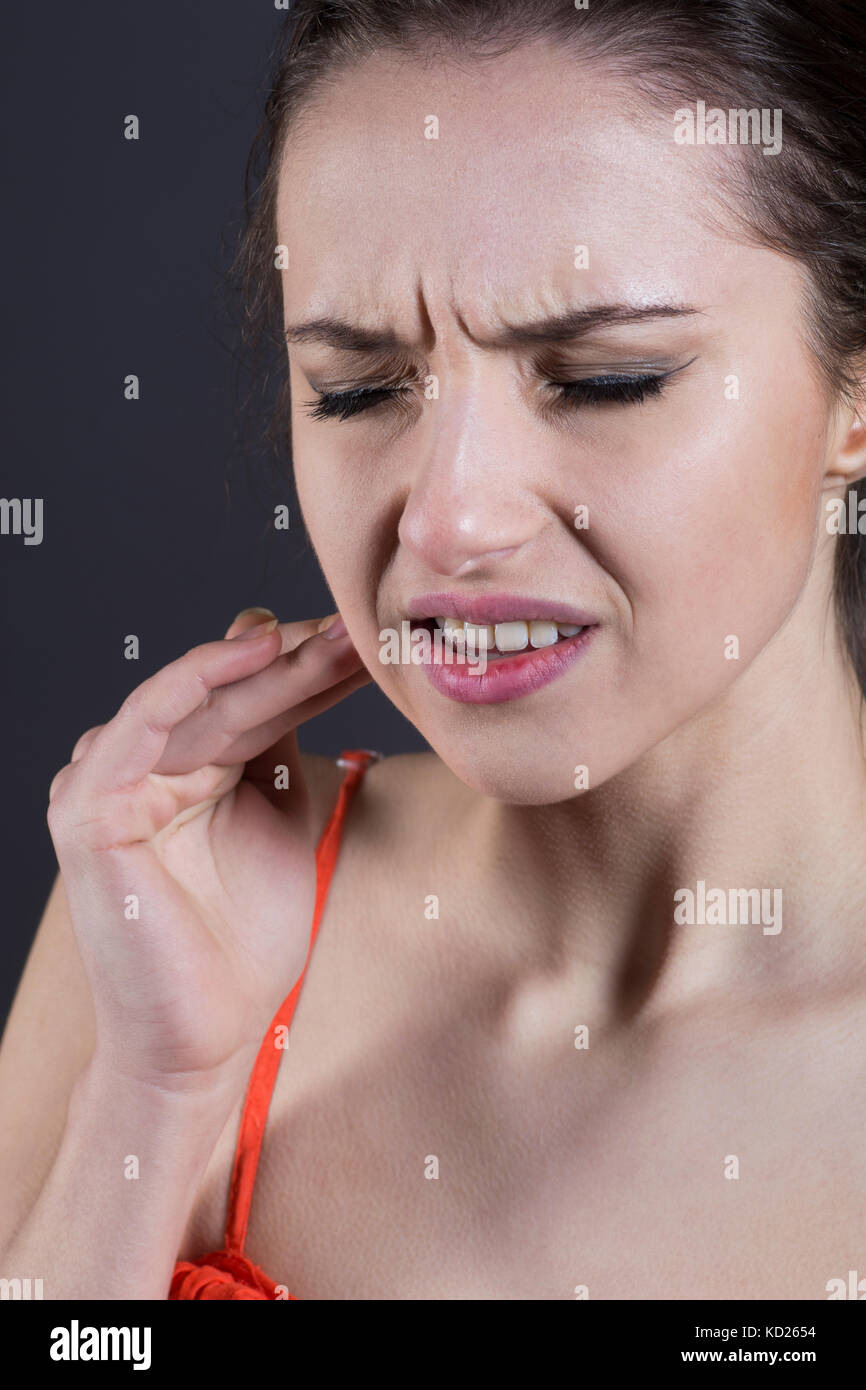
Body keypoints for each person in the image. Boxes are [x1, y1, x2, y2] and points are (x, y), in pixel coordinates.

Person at [1, 0, 865, 1300]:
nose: (449, 518)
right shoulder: (168, 918)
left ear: (850, 400)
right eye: (356, 391)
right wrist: (156, 1086)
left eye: (603, 377)